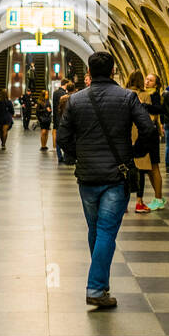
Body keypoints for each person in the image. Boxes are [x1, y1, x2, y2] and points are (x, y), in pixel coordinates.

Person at [59, 51, 157, 308]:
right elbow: (148, 128)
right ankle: (96, 287)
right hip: (117, 174)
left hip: (87, 177)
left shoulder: (75, 100)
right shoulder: (127, 97)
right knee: (105, 231)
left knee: (96, 230)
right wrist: (137, 152)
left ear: (89, 72)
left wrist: (76, 156)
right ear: (113, 70)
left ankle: (100, 283)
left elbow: (62, 138)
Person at [136, 73, 166, 210]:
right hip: (148, 132)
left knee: (154, 166)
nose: (147, 82)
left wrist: (144, 105)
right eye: (146, 79)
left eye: (151, 80)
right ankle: (158, 196)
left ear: (156, 84)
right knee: (149, 168)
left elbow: (160, 109)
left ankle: (158, 198)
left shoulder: (154, 95)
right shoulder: (145, 93)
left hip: (151, 134)